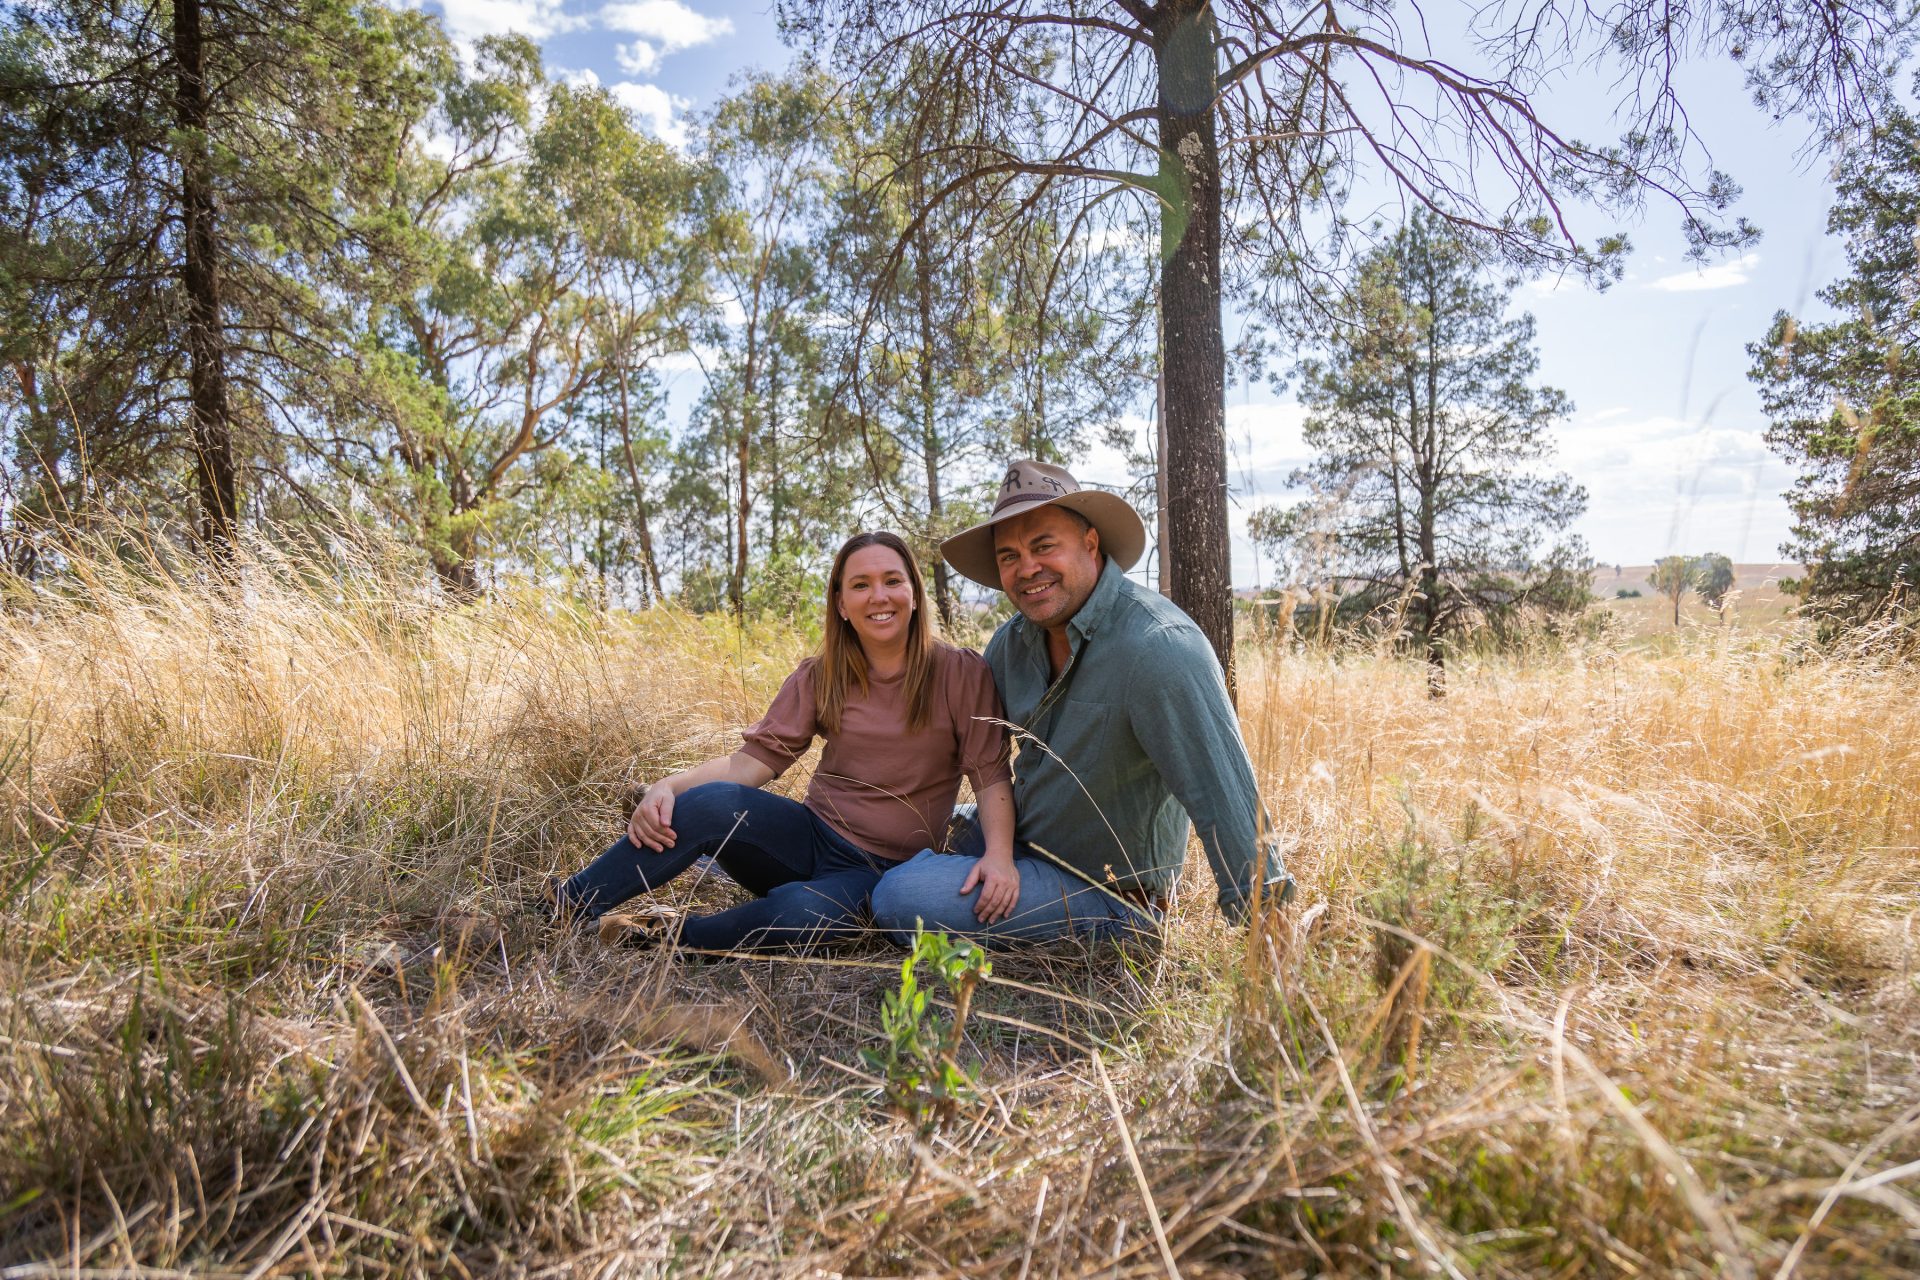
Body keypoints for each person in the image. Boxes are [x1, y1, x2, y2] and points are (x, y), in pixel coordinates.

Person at [869, 460, 1294, 946]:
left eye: (1044, 546)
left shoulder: (1158, 646)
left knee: (901, 894)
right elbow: (964, 746)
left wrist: (1269, 933)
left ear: (1090, 544)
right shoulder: (1013, 643)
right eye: (1008, 556)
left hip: (1111, 894)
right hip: (1025, 847)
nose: (1027, 569)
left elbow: (1225, 798)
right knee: (901, 831)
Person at [551, 530, 1016, 952]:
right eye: (860, 585)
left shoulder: (959, 672)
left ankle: (665, 935)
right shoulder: (821, 675)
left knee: (804, 913)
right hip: (806, 839)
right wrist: (668, 786)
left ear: (914, 593)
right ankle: (564, 908)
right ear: (840, 603)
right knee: (708, 804)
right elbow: (752, 763)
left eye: (893, 581)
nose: (879, 596)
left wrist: (998, 857)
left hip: (881, 873)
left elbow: (989, 774)